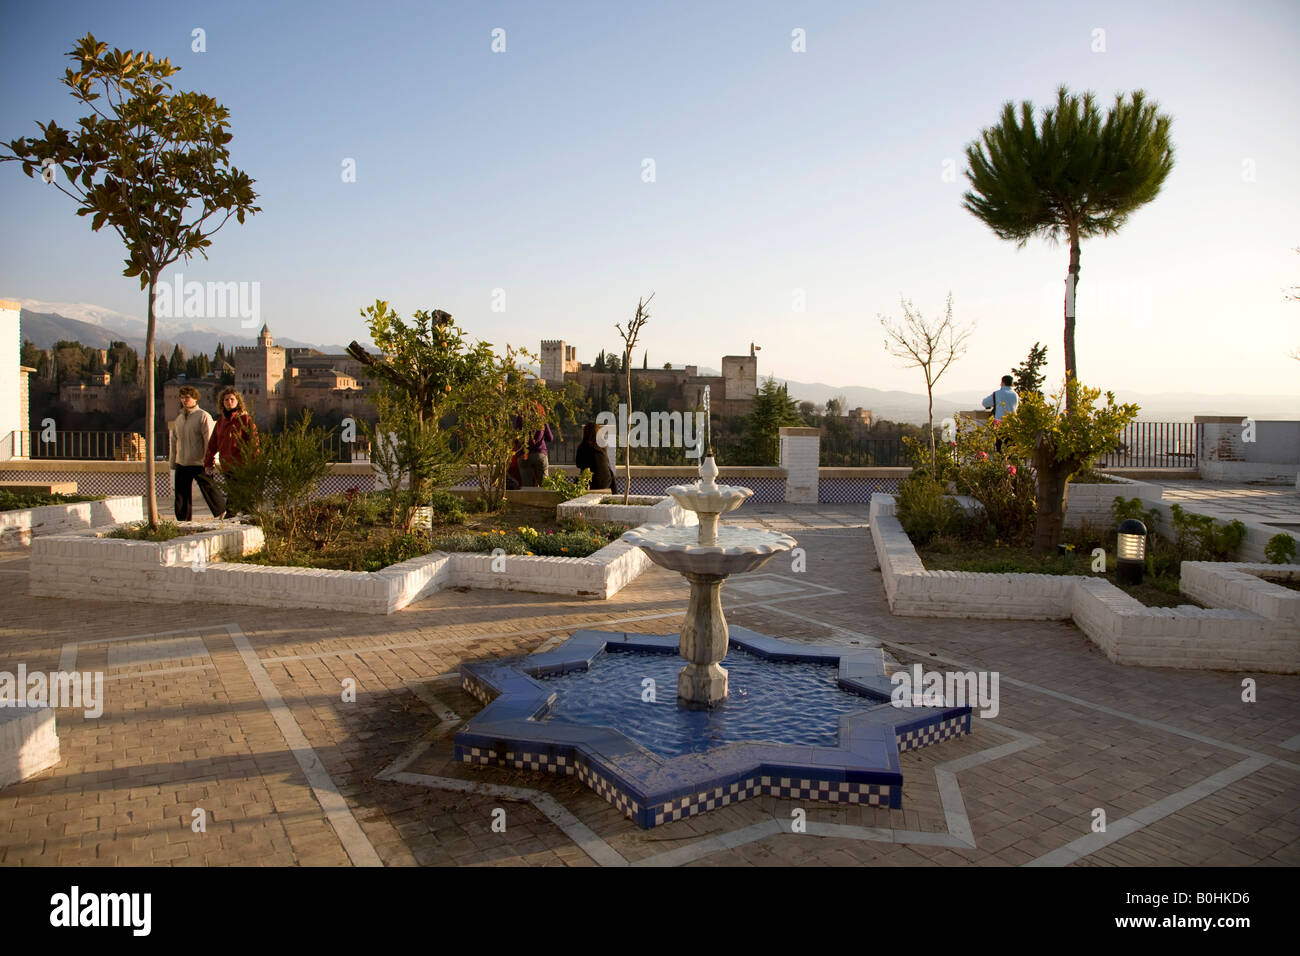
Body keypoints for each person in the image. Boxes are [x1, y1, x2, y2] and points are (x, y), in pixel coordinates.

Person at [169, 386, 225, 521]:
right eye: (182, 397)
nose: (184, 400)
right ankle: (183, 520)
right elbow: (174, 441)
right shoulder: (179, 418)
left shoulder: (203, 416)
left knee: (209, 489)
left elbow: (209, 440)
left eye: (187, 397)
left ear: (195, 398)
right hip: (182, 462)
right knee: (181, 494)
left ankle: (222, 512)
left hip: (200, 461)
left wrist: (208, 461)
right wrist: (173, 461)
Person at [204, 387, 259, 517]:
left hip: (242, 464)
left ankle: (230, 517)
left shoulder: (245, 419)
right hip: (227, 465)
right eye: (226, 399)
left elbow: (253, 442)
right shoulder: (221, 422)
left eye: (232, 399)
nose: (229, 402)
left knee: (235, 494)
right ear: (222, 402)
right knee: (242, 496)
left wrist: (254, 461)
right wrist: (208, 462)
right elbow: (213, 444)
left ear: (237, 401)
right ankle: (250, 519)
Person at [513, 403, 554, 487]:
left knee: (527, 486)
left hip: (524, 454)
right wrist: (541, 438)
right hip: (539, 454)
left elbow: (515, 438)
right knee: (545, 486)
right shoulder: (541, 419)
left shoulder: (520, 418)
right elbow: (550, 438)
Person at [575, 421, 617, 493]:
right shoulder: (602, 446)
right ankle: (615, 495)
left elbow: (578, 464)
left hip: (591, 483)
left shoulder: (583, 447)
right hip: (606, 482)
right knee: (610, 472)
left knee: (577, 481)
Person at [982, 374, 1019, 452]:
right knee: (1010, 449)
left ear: (1002, 383)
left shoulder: (998, 393)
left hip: (1000, 424)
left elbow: (985, 403)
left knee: (1000, 449)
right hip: (1012, 425)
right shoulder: (1015, 395)